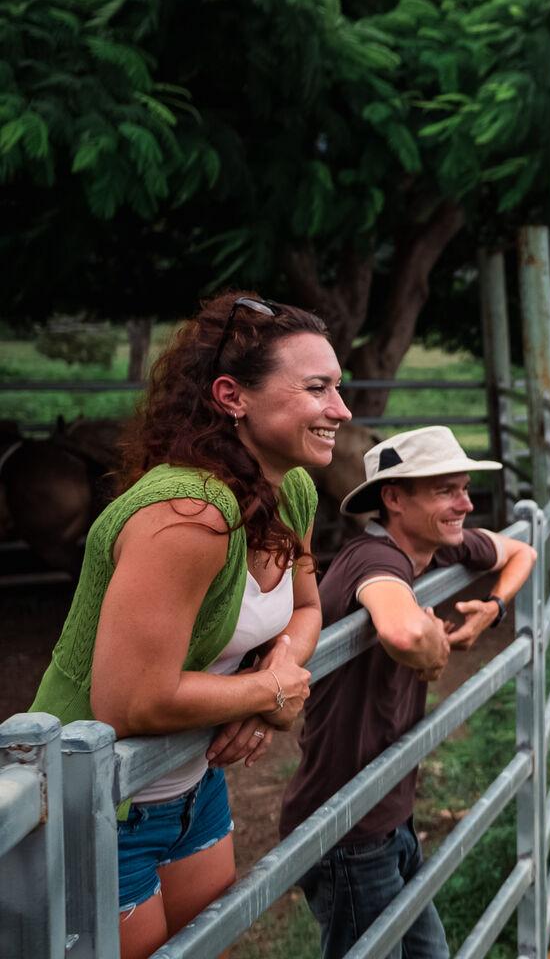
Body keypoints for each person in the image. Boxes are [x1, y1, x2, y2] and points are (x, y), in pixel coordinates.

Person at [29, 291, 347, 959]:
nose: (340, 410)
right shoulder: (189, 515)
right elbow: (131, 701)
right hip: (97, 804)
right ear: (233, 396)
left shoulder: (291, 489)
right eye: (317, 388)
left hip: (190, 785)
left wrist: (272, 675)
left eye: (337, 388)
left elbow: (308, 608)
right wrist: (271, 693)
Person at [281, 426, 534, 959]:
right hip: (346, 825)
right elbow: (404, 633)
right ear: (394, 499)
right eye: (446, 491)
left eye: (465, 488)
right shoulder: (374, 558)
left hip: (387, 813)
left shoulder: (435, 547)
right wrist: (436, 649)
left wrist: (492, 609)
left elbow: (522, 552)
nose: (466, 504)